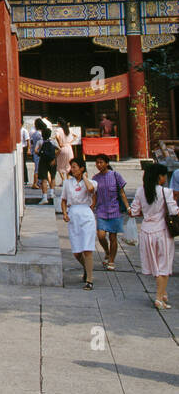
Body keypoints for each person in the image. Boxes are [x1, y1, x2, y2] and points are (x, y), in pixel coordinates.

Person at [127, 164, 177, 311]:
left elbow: (134, 211)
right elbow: (173, 211)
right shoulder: (165, 192)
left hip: (146, 231)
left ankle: (163, 293)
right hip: (162, 232)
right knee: (164, 266)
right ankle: (159, 298)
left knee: (155, 264)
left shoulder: (140, 191)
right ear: (159, 177)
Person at [61, 157, 98, 289]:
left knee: (87, 248)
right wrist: (64, 213)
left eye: (75, 166)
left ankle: (89, 279)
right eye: (72, 167)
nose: (73, 169)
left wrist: (85, 177)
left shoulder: (92, 182)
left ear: (82, 168)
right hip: (73, 214)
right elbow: (64, 200)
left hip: (86, 214)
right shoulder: (67, 183)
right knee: (77, 251)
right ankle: (86, 268)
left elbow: (90, 189)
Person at [93, 155, 130, 272]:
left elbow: (122, 193)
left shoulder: (115, 175)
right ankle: (107, 251)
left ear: (107, 163)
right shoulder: (95, 178)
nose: (99, 165)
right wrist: (91, 207)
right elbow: (94, 196)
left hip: (115, 210)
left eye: (101, 162)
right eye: (97, 163)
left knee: (113, 237)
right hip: (101, 210)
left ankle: (112, 260)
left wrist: (128, 208)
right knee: (101, 235)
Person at [53, 120, 74, 212]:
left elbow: (57, 136)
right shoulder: (68, 130)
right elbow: (75, 136)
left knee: (60, 165)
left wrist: (60, 143)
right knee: (68, 165)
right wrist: (70, 142)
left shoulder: (59, 130)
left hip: (62, 148)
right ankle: (68, 179)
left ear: (59, 123)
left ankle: (63, 180)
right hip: (69, 147)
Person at [35, 120, 57, 204]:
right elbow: (59, 149)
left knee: (44, 179)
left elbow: (36, 151)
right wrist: (54, 158)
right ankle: (51, 193)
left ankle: (44, 197)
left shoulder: (40, 142)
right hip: (52, 161)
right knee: (53, 177)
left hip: (43, 162)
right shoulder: (53, 142)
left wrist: (41, 153)